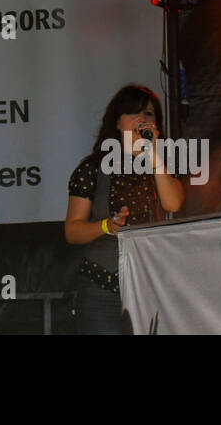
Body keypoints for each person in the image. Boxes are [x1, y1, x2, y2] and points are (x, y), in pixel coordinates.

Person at [64, 85, 183, 334]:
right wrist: (107, 226)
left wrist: (153, 153)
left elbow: (173, 203)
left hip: (149, 283)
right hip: (101, 287)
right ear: (117, 123)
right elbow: (72, 231)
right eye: (133, 113)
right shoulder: (92, 168)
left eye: (148, 114)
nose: (142, 119)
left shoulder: (162, 163)